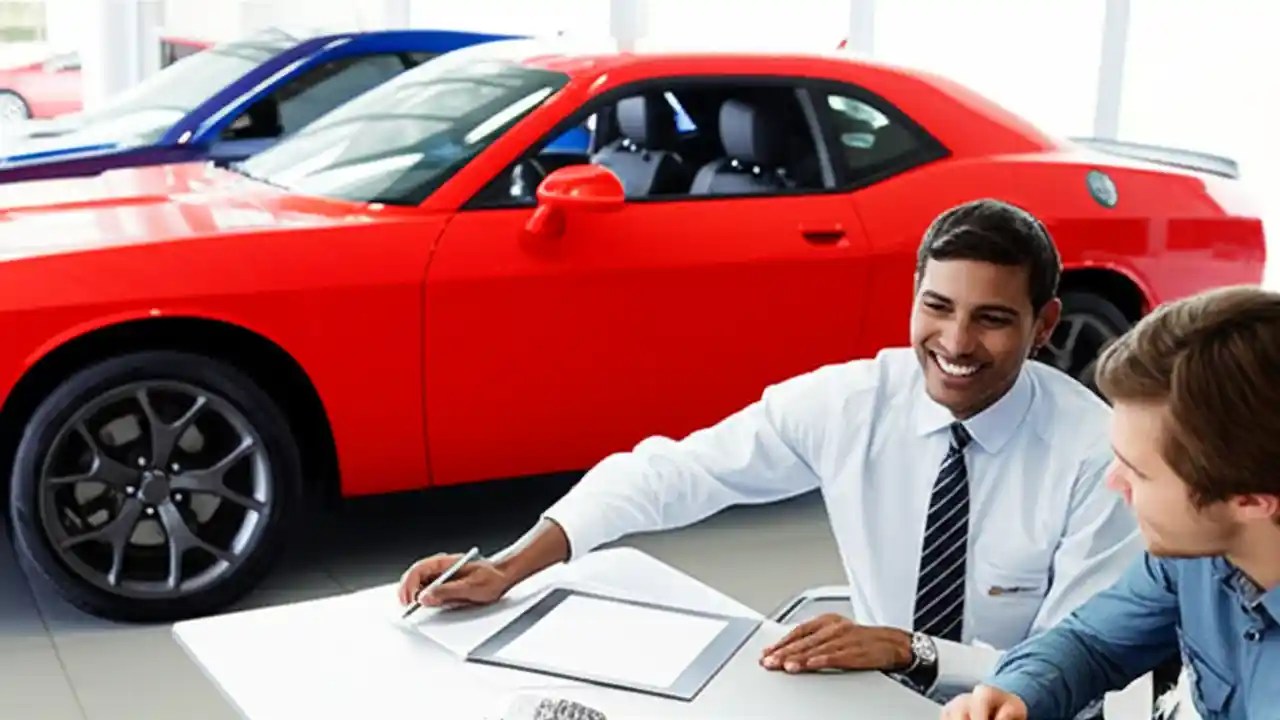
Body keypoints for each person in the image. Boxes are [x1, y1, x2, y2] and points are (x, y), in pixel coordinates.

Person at [398, 198, 1142, 699]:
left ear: (1045, 325)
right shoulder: (852, 402)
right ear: (912, 294)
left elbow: (1068, 663)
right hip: (868, 698)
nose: (954, 343)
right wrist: (512, 564)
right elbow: (672, 472)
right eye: (937, 307)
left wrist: (908, 649)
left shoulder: (1094, 454)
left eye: (991, 320)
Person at [941, 285, 1280, 720]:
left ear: (1249, 502)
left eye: (1138, 472)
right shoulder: (1196, 553)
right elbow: (1092, 643)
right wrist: (1016, 696)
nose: (1113, 481)